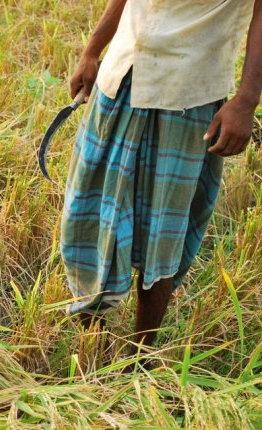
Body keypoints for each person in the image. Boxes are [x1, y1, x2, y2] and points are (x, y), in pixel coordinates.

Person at [61, 0, 261, 360]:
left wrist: (246, 100)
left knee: (162, 234)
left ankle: (139, 360)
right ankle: (90, 344)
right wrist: (93, 49)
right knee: (86, 213)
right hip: (120, 78)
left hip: (186, 94)